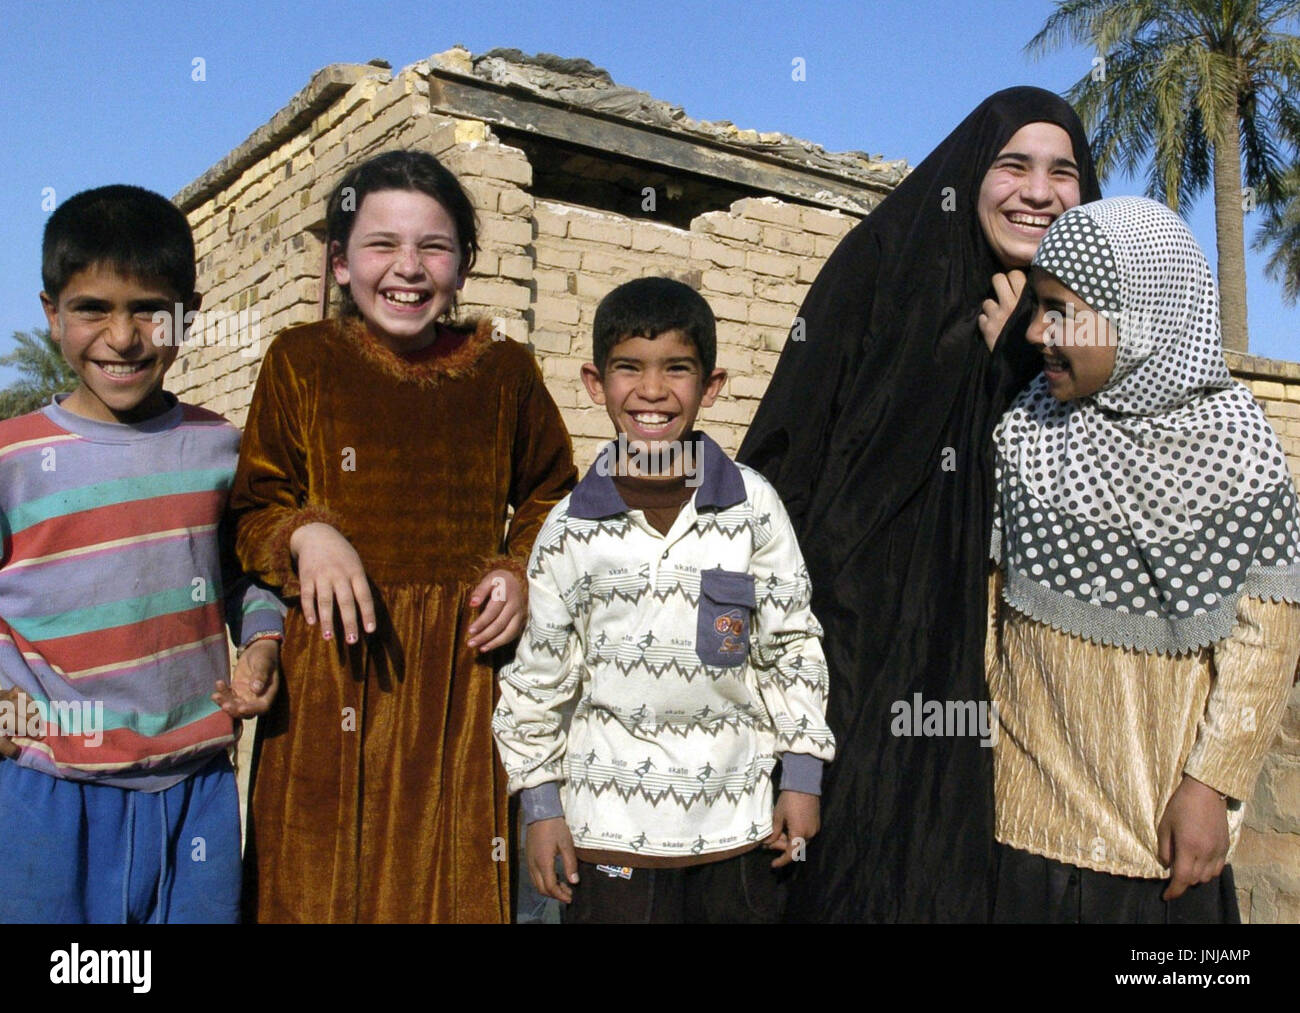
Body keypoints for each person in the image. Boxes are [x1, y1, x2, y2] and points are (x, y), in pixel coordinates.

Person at [737, 86, 1101, 922]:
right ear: (972, 173)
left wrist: (1023, 353)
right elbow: (788, 445)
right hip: (846, 634)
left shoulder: (1089, 322)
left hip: (991, 662)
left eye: (1063, 171)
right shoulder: (882, 261)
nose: (1038, 192)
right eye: (1013, 165)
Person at [231, 149, 576, 923]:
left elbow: (554, 494)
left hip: (462, 680)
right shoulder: (300, 361)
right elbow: (250, 512)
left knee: (450, 884)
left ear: (464, 264)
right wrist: (306, 531)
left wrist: (519, 570)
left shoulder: (505, 374)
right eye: (382, 244)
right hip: (329, 678)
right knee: (317, 887)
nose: (407, 268)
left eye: (435, 247)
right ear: (341, 261)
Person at [988, 196, 1300, 922]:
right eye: (1037, 307)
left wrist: (1210, 786)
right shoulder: (1029, 427)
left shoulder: (1235, 447)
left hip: (1159, 848)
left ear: (1141, 314)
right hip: (1022, 829)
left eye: (1061, 310)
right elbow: (993, 617)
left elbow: (1268, 641)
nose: (1037, 331)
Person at [493, 277, 836, 923]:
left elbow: (791, 645)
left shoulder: (752, 505)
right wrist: (541, 806)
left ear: (710, 386)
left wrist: (801, 776)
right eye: (630, 368)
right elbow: (538, 677)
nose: (652, 391)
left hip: (739, 823)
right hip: (610, 832)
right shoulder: (571, 526)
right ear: (597, 383)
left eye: (676, 368)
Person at [0, 184, 282, 923]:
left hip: (196, 788)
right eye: (93, 308)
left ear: (187, 312)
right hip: (48, 788)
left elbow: (245, 572)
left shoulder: (219, 446)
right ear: (51, 313)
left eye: (149, 310)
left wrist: (262, 643)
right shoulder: (14, 458)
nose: (123, 338)